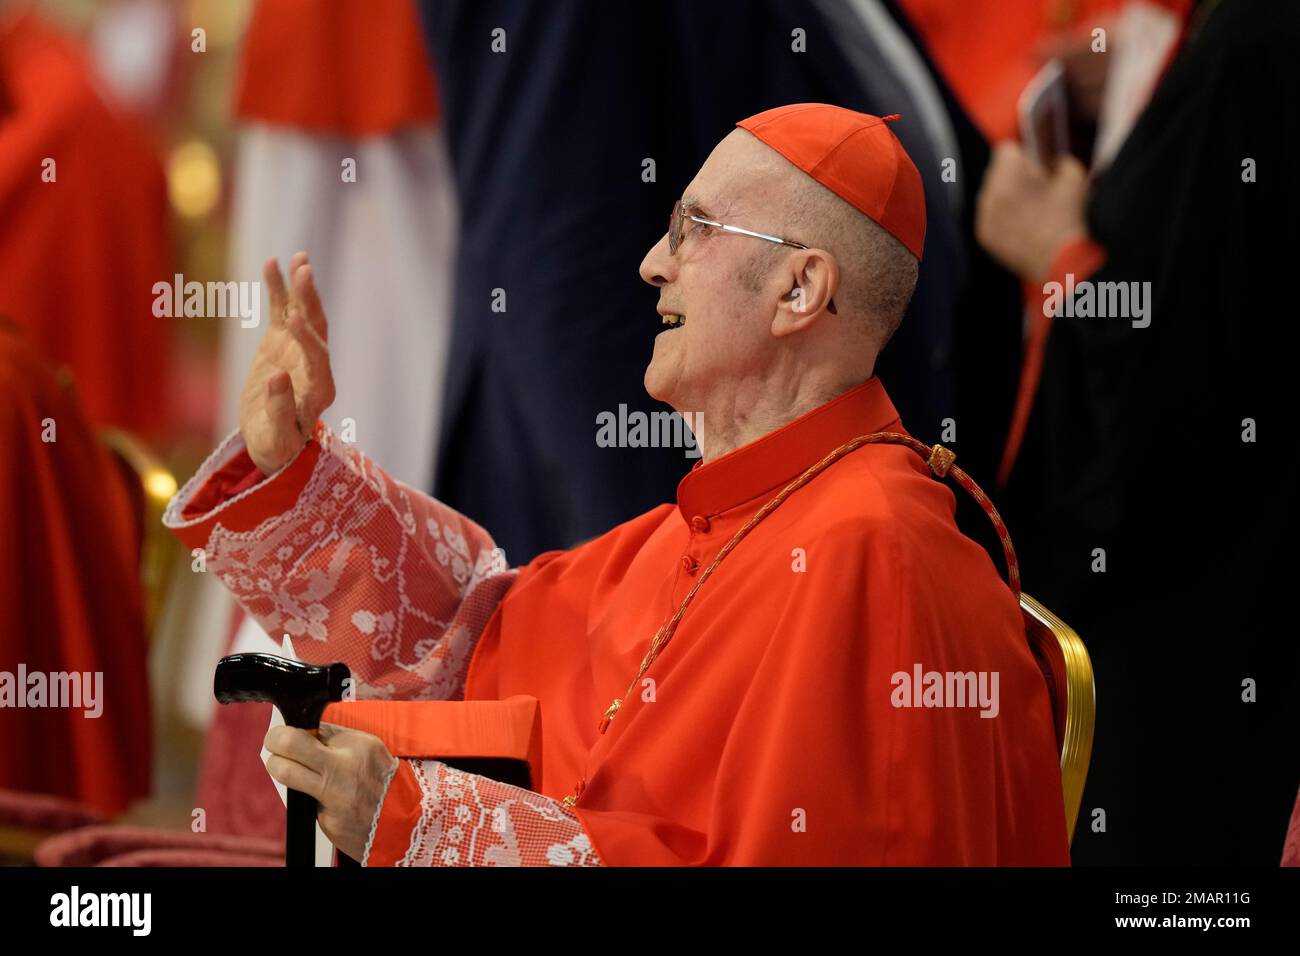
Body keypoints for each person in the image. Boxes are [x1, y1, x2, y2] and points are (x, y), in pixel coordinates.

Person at [165, 104, 1068, 866]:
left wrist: (427, 828)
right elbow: (474, 642)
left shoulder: (878, 556)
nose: (652, 263)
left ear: (799, 289)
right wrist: (295, 467)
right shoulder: (713, 518)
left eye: (694, 230)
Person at [975, 0, 1298, 864]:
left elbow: (1189, 383)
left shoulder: (1254, 42)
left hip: (1185, 624)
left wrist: (1057, 258)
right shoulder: (1208, 39)